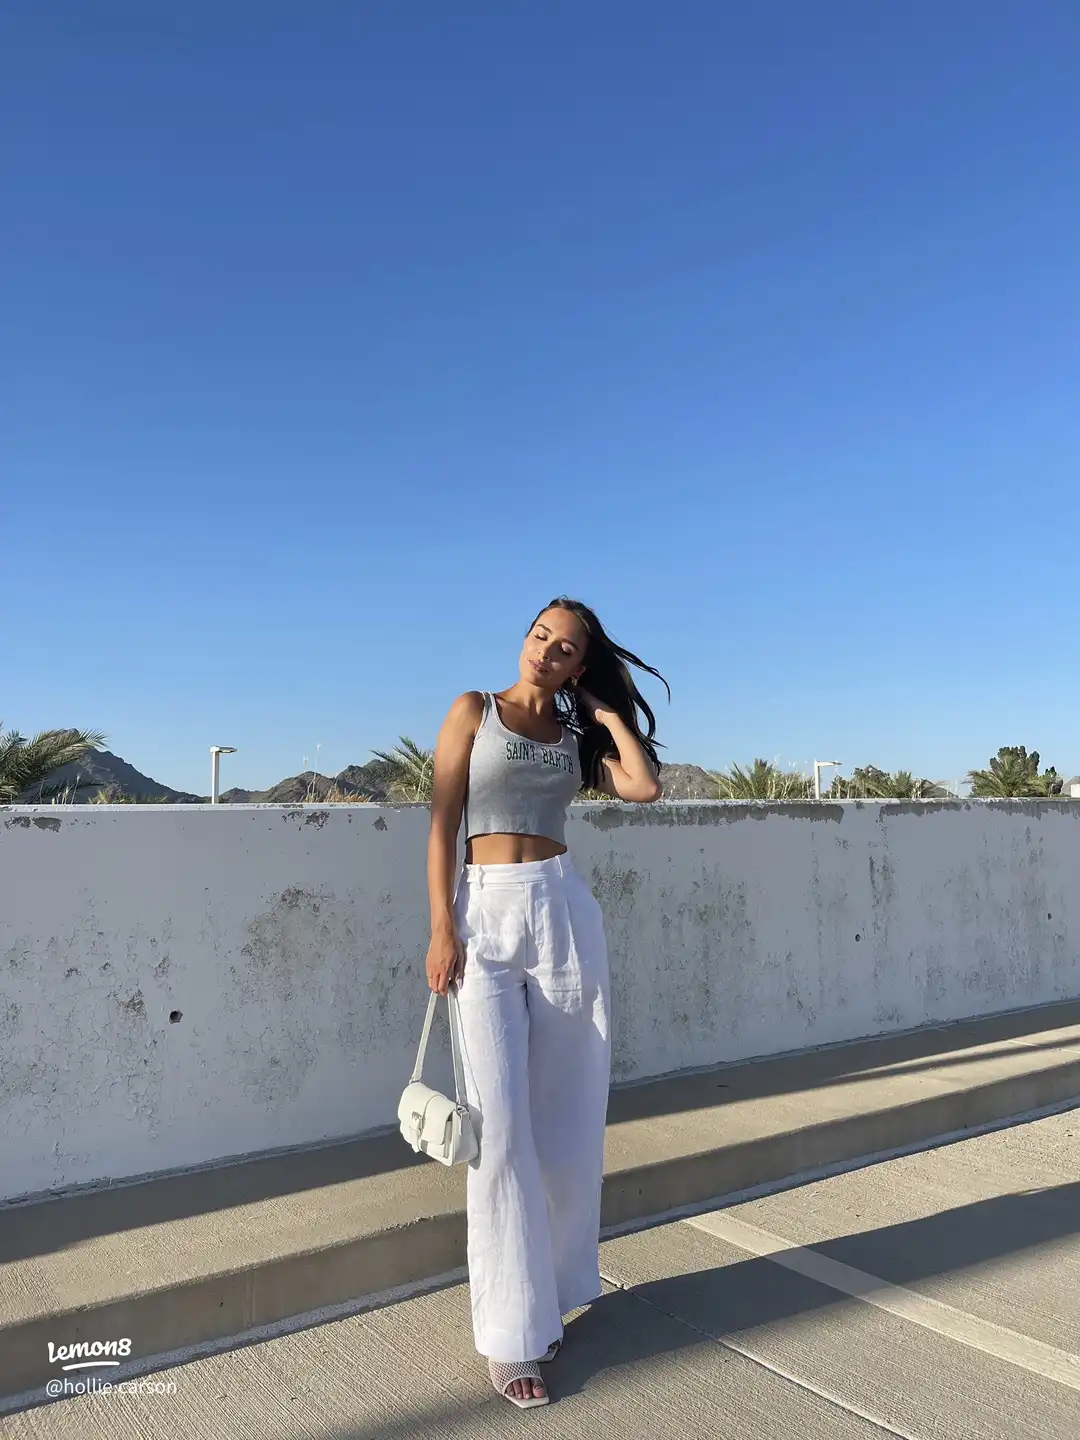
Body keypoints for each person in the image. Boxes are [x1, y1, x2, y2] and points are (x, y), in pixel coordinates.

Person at [425, 596, 668, 1410]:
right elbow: (442, 822)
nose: (546, 653)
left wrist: (604, 711)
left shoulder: (573, 740)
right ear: (524, 638)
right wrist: (441, 927)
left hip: (563, 910)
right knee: (497, 1131)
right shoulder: (473, 711)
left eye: (566, 650)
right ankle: (508, 1336)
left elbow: (644, 787)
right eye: (540, 636)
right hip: (483, 914)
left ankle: (555, 1291)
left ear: (579, 665)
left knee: (568, 1119)